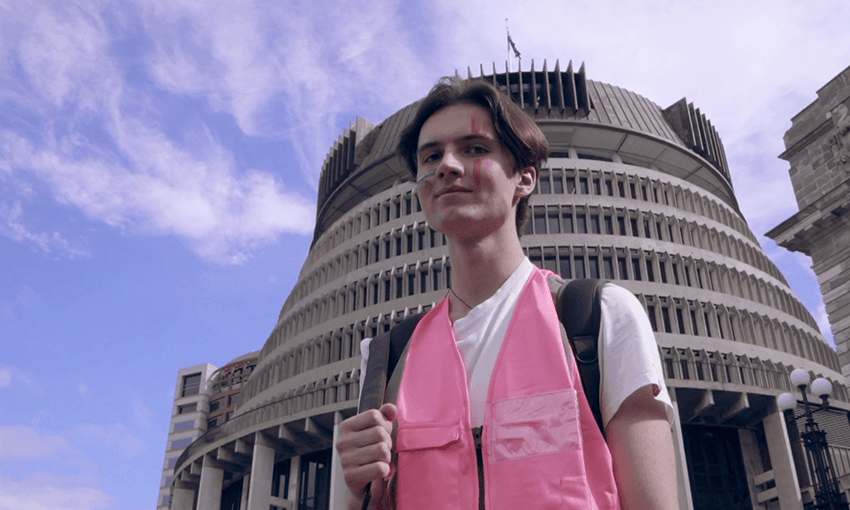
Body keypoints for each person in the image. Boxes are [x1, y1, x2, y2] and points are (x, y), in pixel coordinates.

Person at [335, 77, 678, 509]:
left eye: (475, 149)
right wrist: (356, 492)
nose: (447, 166)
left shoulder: (596, 317)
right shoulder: (387, 357)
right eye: (431, 156)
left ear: (525, 179)